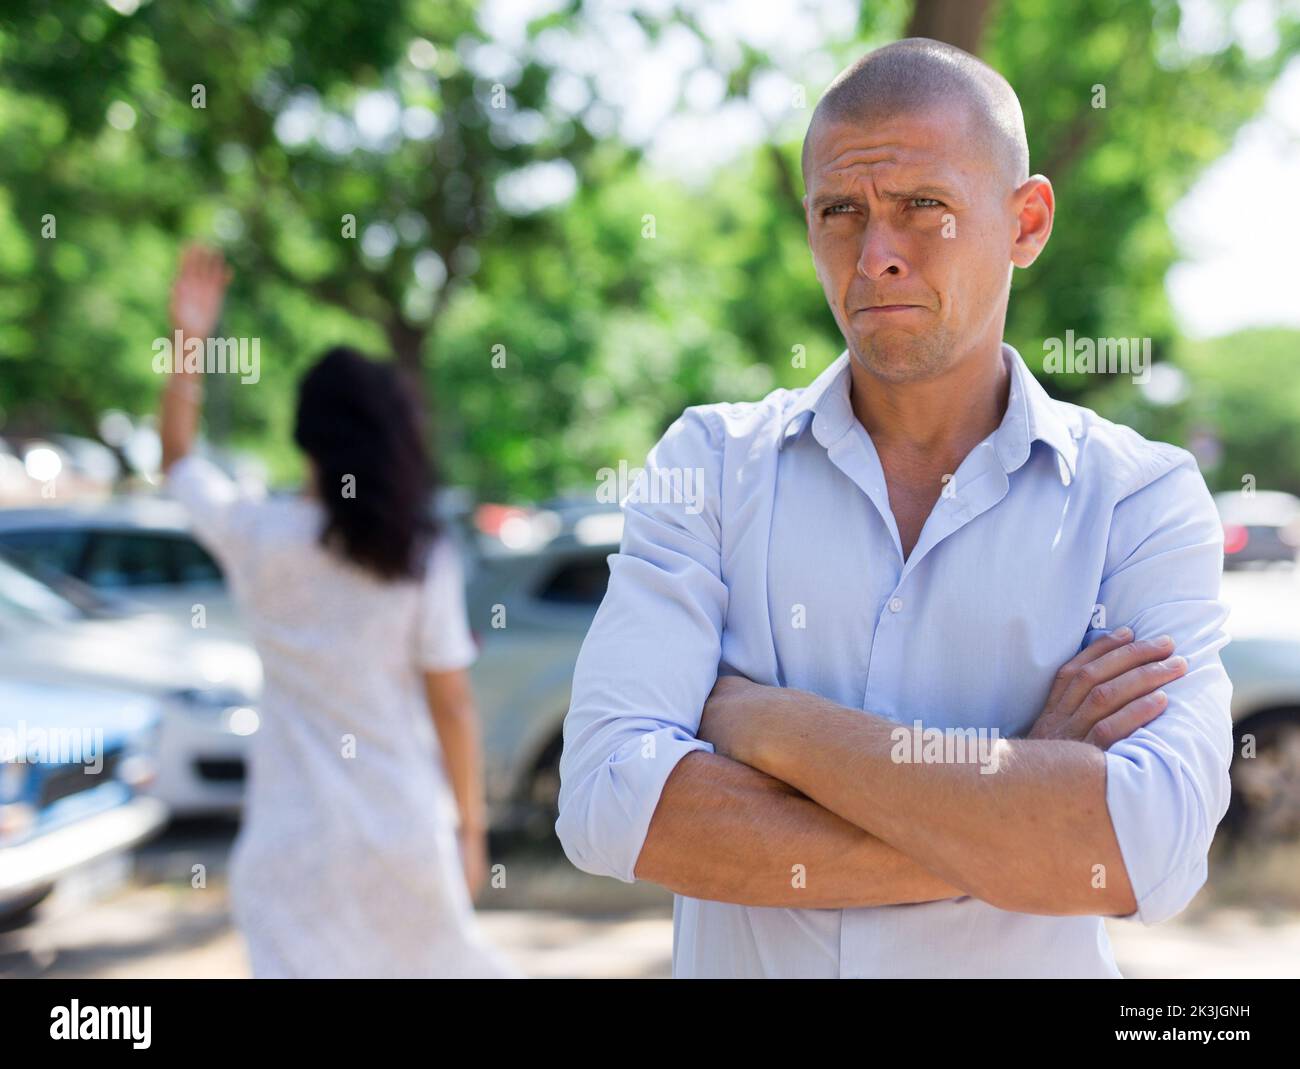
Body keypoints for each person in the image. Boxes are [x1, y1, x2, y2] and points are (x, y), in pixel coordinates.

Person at [556, 39, 1233, 978]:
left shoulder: (1140, 498)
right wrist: (1016, 798)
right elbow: (607, 806)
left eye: (924, 206)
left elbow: (1142, 848)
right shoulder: (711, 464)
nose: (876, 256)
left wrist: (770, 726)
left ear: (1027, 222)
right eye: (842, 210)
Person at [159, 245, 520, 978]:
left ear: (305, 434)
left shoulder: (256, 536)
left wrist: (188, 337)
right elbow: (452, 705)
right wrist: (471, 829)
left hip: (291, 848)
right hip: (402, 833)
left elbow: (176, 458)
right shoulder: (421, 555)